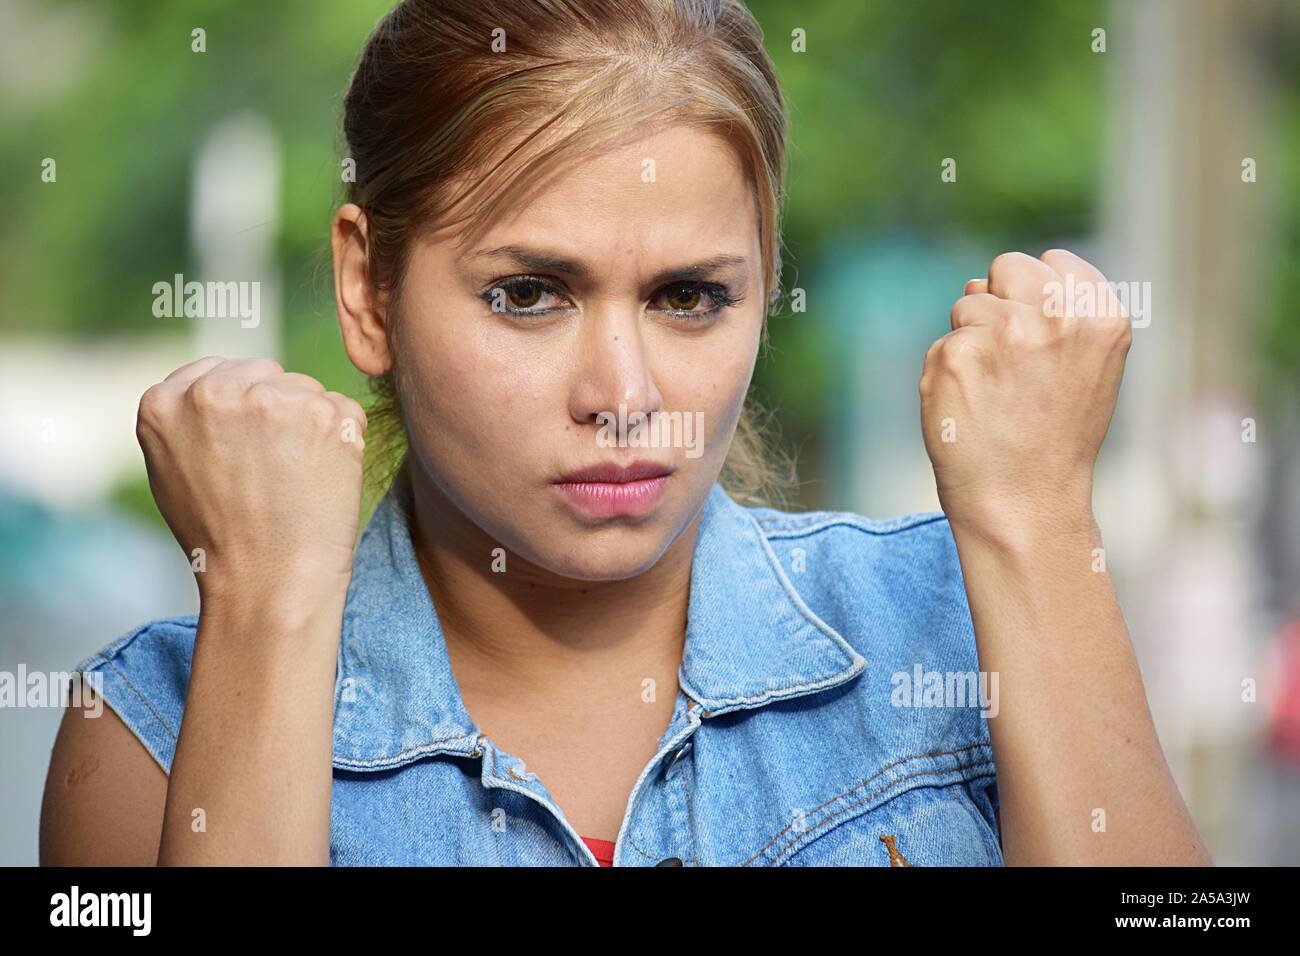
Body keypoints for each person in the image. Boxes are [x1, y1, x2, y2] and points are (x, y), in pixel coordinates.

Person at [40, 0, 1211, 866]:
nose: (624, 390)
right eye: (529, 292)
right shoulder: (153, 726)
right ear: (368, 290)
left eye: (688, 296)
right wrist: (268, 606)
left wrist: (1038, 517)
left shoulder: (950, 623)